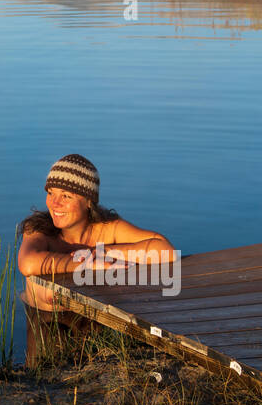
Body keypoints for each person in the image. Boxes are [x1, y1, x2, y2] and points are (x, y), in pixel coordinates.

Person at [17, 153, 175, 363]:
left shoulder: (107, 229)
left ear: (89, 202)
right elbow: (27, 263)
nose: (54, 203)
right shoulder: (38, 230)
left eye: (66, 196)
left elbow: (166, 252)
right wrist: (86, 263)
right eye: (51, 193)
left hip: (94, 322)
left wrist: (105, 252)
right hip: (46, 321)